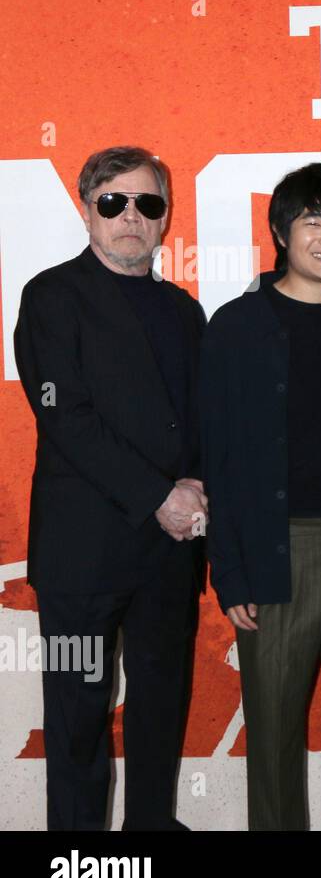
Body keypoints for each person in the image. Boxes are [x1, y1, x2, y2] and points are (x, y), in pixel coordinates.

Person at [198, 163, 321, 830]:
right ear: (281, 231)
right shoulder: (237, 326)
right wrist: (232, 570)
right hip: (276, 553)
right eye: (314, 219)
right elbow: (217, 459)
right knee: (275, 736)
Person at [15, 146, 206, 830]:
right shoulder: (51, 296)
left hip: (169, 554)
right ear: (86, 209)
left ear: (165, 217)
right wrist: (162, 495)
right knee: (77, 714)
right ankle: (79, 856)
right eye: (114, 202)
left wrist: (197, 489)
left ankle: (150, 835)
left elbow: (204, 418)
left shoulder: (183, 310)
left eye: (148, 203)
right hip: (81, 555)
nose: (132, 216)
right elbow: (66, 417)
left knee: (161, 706)